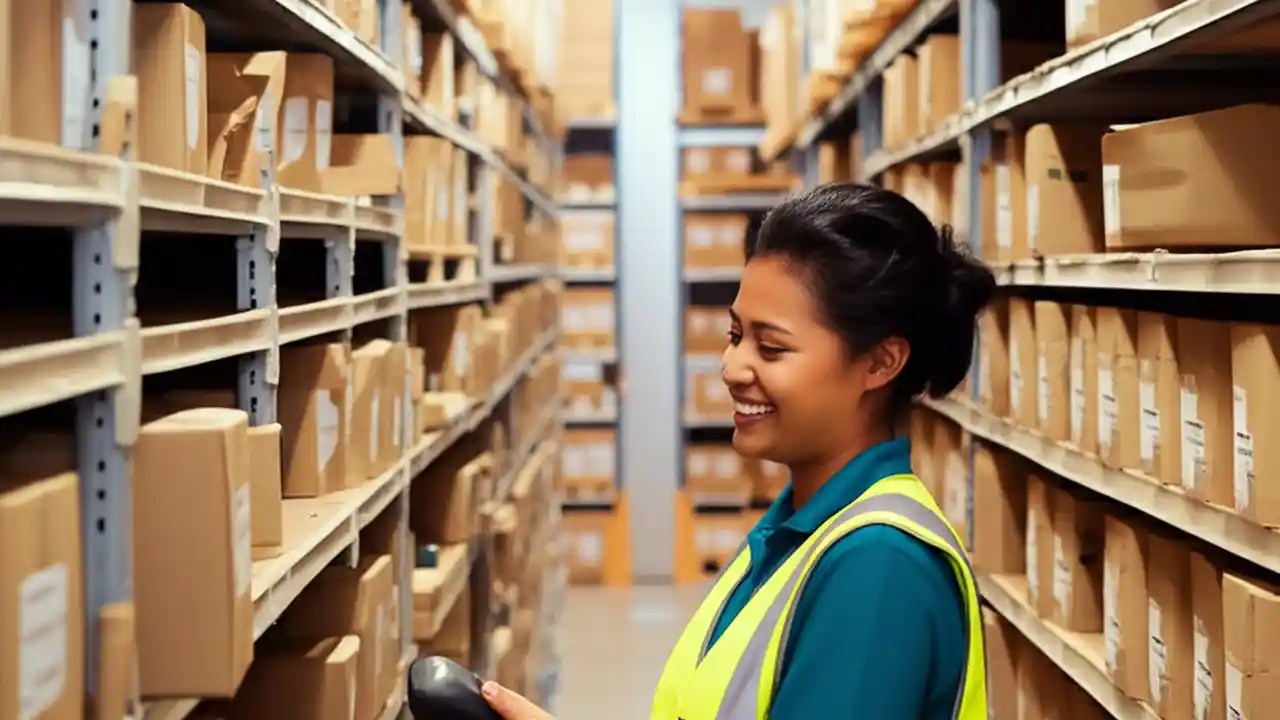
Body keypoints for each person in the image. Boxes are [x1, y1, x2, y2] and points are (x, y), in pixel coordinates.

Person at [481, 182, 996, 720]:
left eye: (771, 348)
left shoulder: (879, 568)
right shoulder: (796, 533)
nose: (731, 368)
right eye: (734, 335)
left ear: (880, 362)